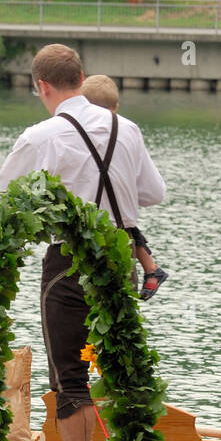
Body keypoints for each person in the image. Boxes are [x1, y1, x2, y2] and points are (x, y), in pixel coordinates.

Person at [0, 44, 166, 441]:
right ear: (82, 76)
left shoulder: (41, 135)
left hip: (67, 264)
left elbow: (4, 201)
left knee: (69, 376)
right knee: (120, 366)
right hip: (118, 259)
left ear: (42, 87)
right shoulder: (126, 127)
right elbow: (153, 193)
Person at [82, 74, 168, 300]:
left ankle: (153, 268)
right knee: (120, 327)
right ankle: (152, 268)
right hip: (122, 243)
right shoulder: (129, 131)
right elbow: (155, 194)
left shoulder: (65, 133)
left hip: (79, 245)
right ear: (116, 106)